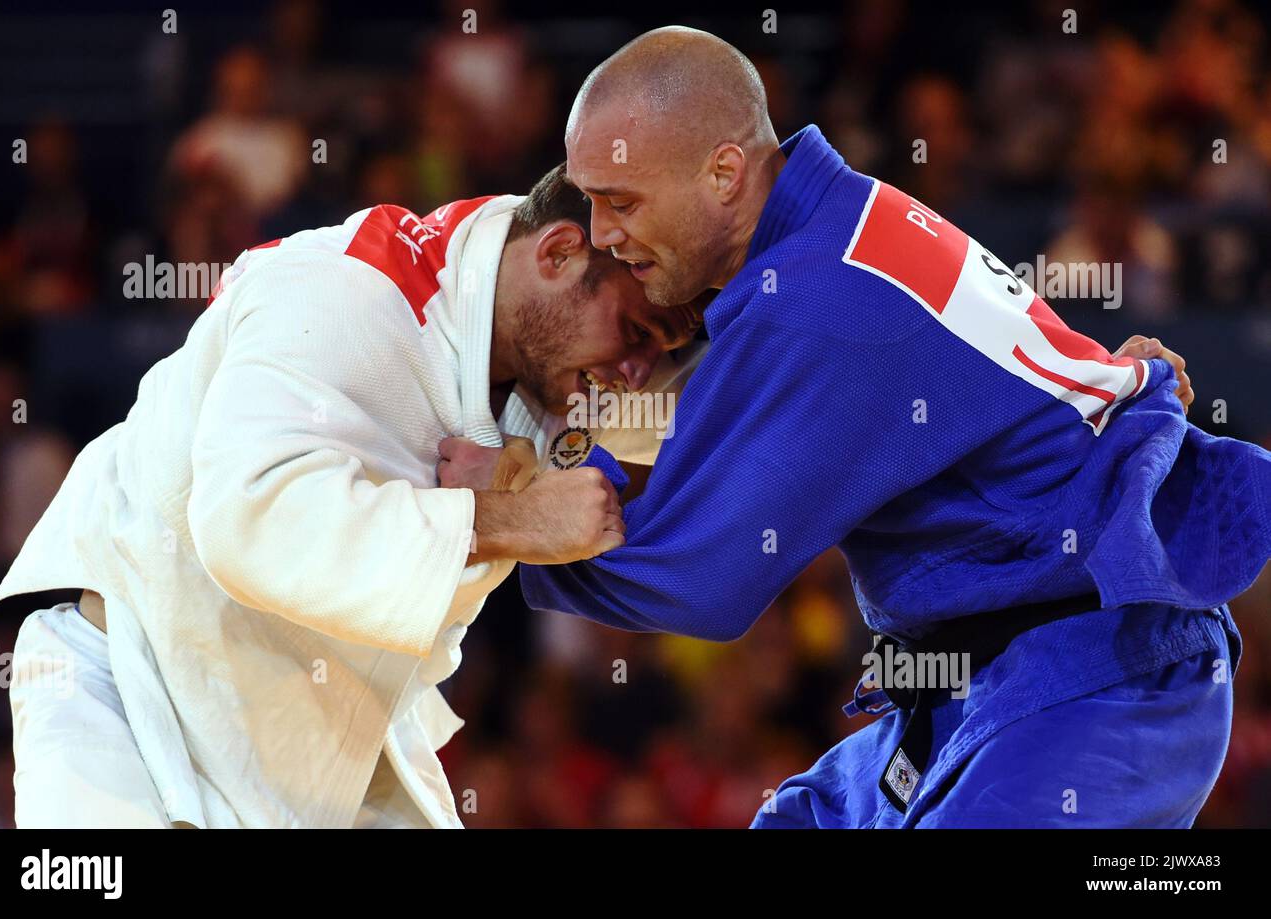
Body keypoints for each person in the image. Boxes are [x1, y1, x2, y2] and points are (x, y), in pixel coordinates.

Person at [514, 27, 1270, 828]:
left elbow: (700, 581)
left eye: (621, 201)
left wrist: (492, 529)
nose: (602, 232)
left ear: (724, 173)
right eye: (590, 200)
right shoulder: (836, 230)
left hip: (1093, 675)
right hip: (983, 677)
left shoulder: (815, 298)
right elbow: (690, 427)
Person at [0, 164, 701, 829]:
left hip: (322, 746)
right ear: (557, 254)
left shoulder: (539, 334)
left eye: (660, 348)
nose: (639, 374)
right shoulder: (342, 294)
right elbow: (249, 518)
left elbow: (714, 410)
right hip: (135, 706)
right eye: (636, 332)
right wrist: (505, 520)